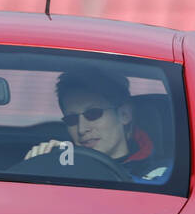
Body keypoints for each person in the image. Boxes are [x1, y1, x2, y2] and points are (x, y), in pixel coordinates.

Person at [24, 68, 164, 179]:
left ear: (124, 115)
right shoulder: (60, 164)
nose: (81, 129)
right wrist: (40, 166)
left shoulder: (160, 174)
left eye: (93, 114)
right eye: (72, 119)